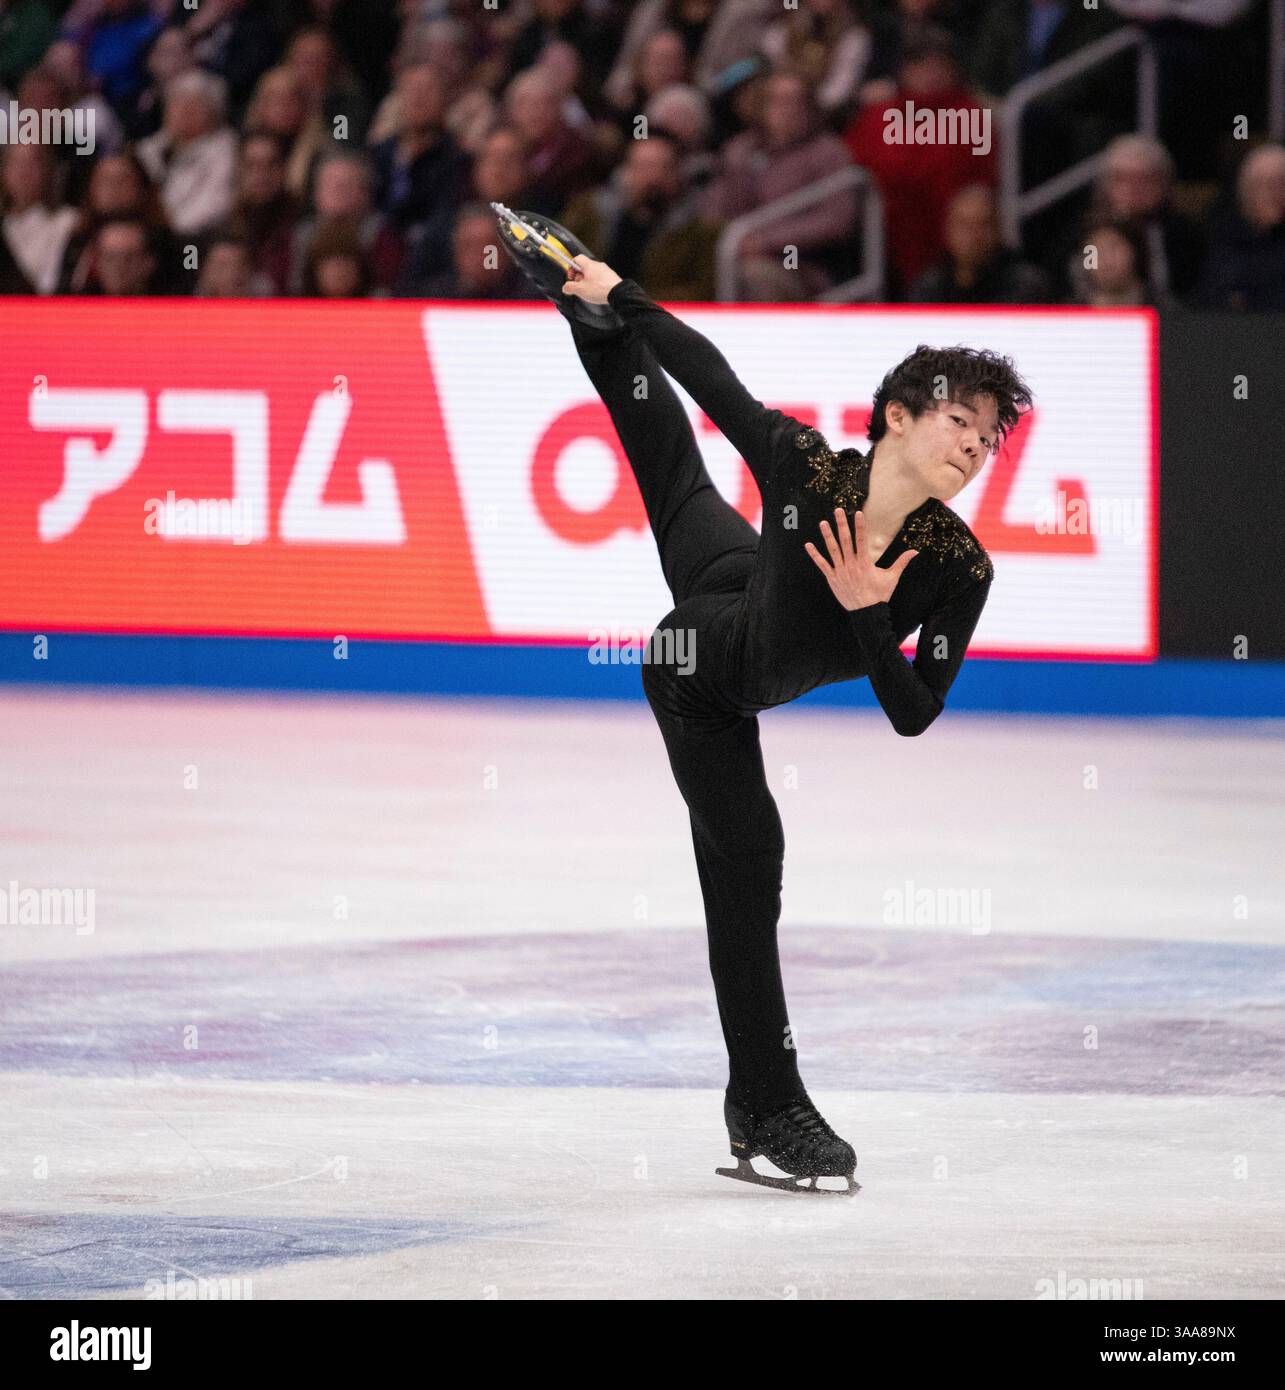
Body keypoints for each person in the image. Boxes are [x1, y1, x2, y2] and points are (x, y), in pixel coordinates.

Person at [494, 206, 1032, 1193]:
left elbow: (914, 711)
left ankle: (588, 324)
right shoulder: (806, 469)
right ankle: (766, 1099)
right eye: (960, 418)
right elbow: (711, 381)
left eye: (989, 438)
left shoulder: (957, 568)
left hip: (748, 588)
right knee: (750, 854)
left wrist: (872, 613)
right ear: (900, 417)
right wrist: (620, 290)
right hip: (701, 664)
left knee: (680, 493)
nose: (974, 445)